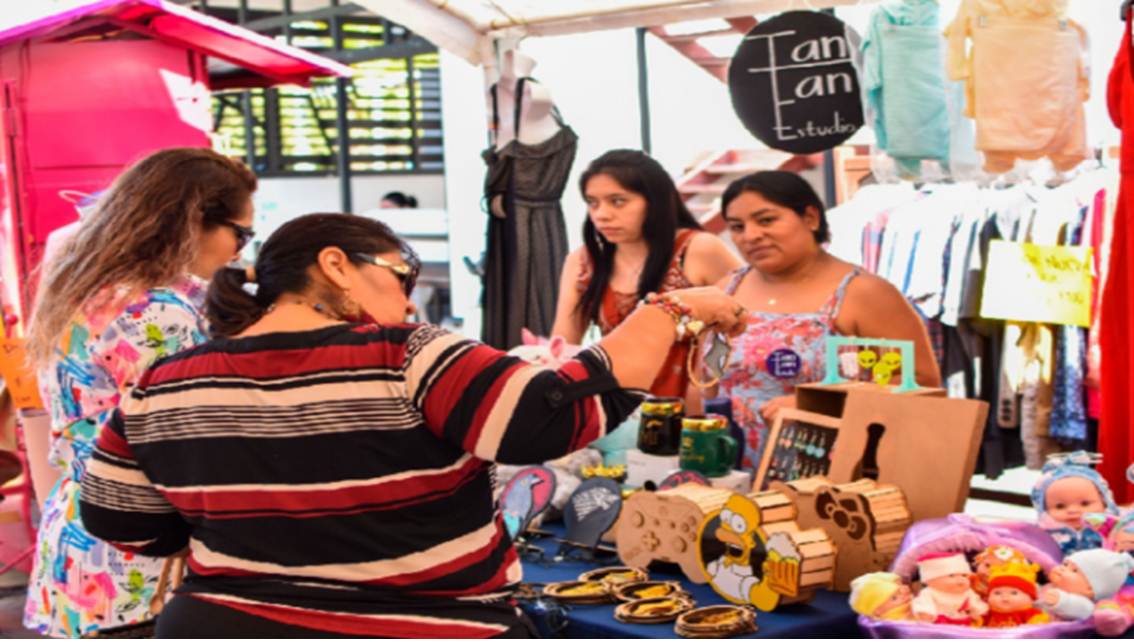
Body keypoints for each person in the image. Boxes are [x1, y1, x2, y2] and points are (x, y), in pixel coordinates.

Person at [78, 213, 746, 638]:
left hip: (221, 624)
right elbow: (559, 413)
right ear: (336, 264)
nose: (407, 294)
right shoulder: (408, 354)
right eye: (402, 273)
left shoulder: (163, 381)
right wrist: (675, 309)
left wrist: (243, 522)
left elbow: (119, 519)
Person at [23, 147, 257, 637]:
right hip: (142, 556)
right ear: (194, 221)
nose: (239, 251)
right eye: (241, 233)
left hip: (76, 539)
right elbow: (182, 444)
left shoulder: (88, 287)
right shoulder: (158, 314)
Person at [708, 171, 940, 471]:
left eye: (766, 220)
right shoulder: (723, 291)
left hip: (826, 475)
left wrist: (817, 404)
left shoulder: (863, 294)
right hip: (727, 468)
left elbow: (918, 385)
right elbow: (706, 383)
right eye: (737, 227)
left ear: (811, 218)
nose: (750, 236)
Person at [551, 149, 742, 396]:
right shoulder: (583, 262)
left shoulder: (697, 249)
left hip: (693, 408)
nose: (602, 214)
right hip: (618, 409)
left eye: (618, 201)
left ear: (655, 201)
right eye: (593, 203)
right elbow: (563, 348)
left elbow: (747, 324)